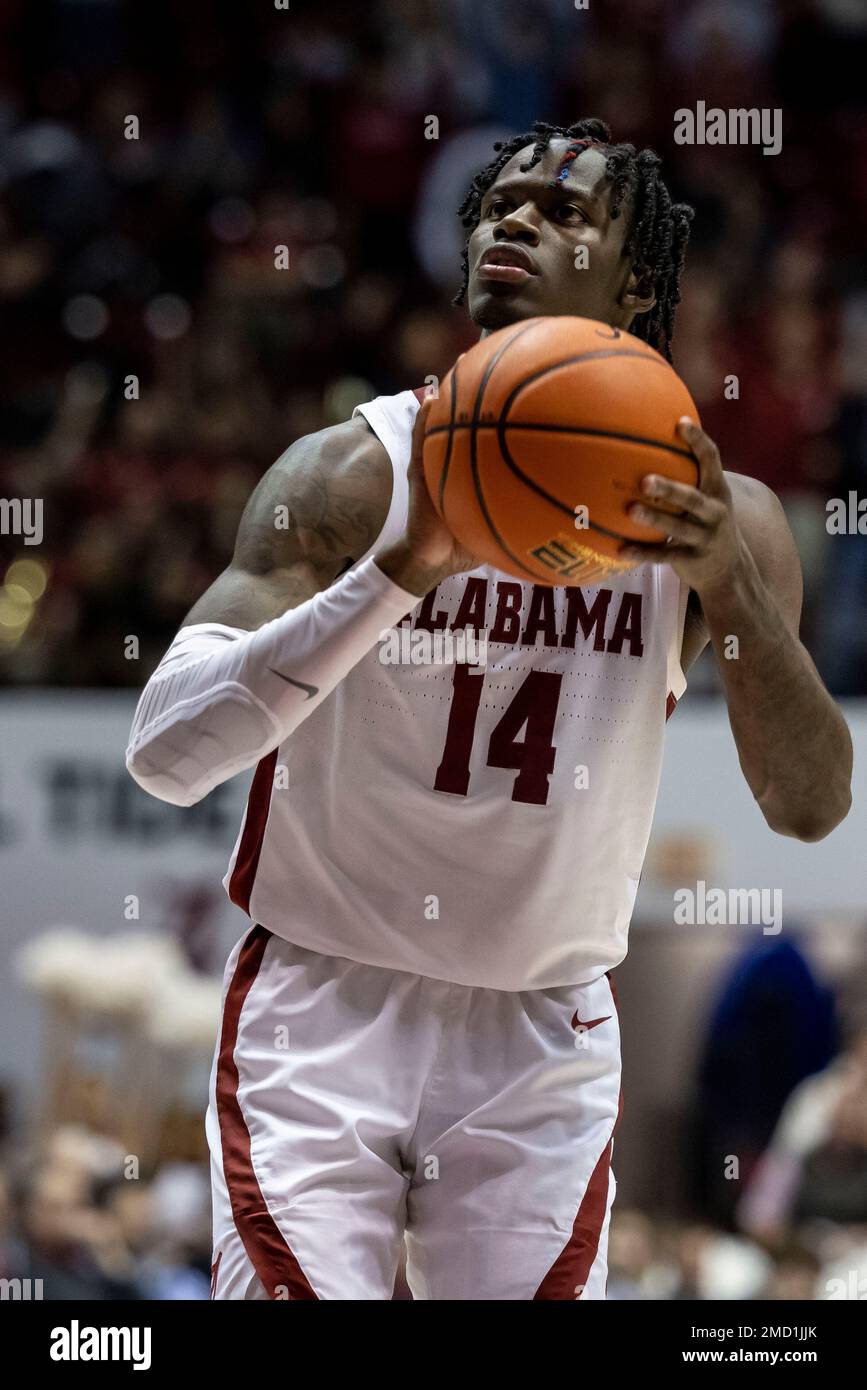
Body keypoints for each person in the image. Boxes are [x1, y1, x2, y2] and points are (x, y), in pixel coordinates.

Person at [126, 118, 852, 1300]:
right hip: (325, 1002)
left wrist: (732, 590)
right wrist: (397, 572)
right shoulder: (355, 474)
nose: (516, 219)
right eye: (501, 204)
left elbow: (815, 806)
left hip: (540, 1035)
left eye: (567, 211)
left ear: (639, 279)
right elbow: (164, 753)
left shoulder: (723, 520)